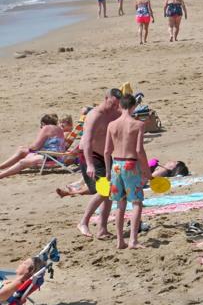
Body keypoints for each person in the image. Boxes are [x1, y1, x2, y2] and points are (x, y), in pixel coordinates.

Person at [104, 94, 150, 249]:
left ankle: (119, 240)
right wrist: (146, 170)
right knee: (136, 202)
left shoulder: (112, 125)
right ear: (133, 107)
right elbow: (139, 150)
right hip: (131, 164)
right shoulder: (138, 125)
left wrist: (107, 171)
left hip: (116, 164)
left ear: (120, 106)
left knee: (120, 203)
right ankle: (133, 240)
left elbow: (106, 151)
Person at [76, 89, 122, 239]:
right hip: (90, 155)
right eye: (112, 103)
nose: (114, 107)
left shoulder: (117, 113)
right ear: (106, 98)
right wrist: (89, 164)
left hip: (106, 156)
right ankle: (83, 222)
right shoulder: (95, 115)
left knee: (109, 193)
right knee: (104, 190)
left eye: (117, 105)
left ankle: (102, 229)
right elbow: (87, 141)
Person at [0, 114, 67, 179]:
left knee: (22, 162)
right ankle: (2, 168)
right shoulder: (59, 129)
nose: (41, 128)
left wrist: (28, 147)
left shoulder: (46, 128)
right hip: (57, 156)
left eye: (41, 126)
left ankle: (2, 174)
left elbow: (35, 147)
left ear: (43, 123)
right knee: (21, 150)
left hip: (50, 157)